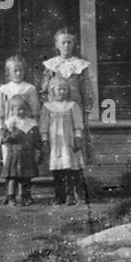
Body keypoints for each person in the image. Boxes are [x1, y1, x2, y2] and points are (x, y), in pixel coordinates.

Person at [39, 28, 94, 170]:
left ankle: (77, 173)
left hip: (75, 109)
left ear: (74, 44)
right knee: (58, 139)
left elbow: (86, 88)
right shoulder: (51, 65)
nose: (66, 46)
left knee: (75, 139)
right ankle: (57, 169)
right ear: (57, 45)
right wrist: (49, 107)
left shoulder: (80, 65)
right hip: (57, 112)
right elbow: (44, 89)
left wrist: (86, 109)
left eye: (69, 42)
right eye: (63, 42)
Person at [39, 76, 85, 205]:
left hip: (68, 143)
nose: (63, 91)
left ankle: (70, 194)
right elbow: (43, 126)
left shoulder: (72, 106)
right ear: (52, 90)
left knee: (69, 168)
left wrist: (78, 138)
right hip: (55, 144)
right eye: (60, 89)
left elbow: (77, 124)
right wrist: (44, 140)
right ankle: (59, 195)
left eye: (65, 89)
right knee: (57, 169)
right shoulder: (47, 107)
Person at [0, 96, 41, 206]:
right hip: (15, 155)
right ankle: (11, 197)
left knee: (26, 178)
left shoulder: (31, 123)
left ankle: (26, 196)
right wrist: (11, 135)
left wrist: (38, 149)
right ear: (12, 110)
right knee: (13, 177)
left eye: (24, 109)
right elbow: (3, 140)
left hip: (28, 155)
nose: (22, 111)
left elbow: (36, 139)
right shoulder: (10, 123)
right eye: (19, 109)